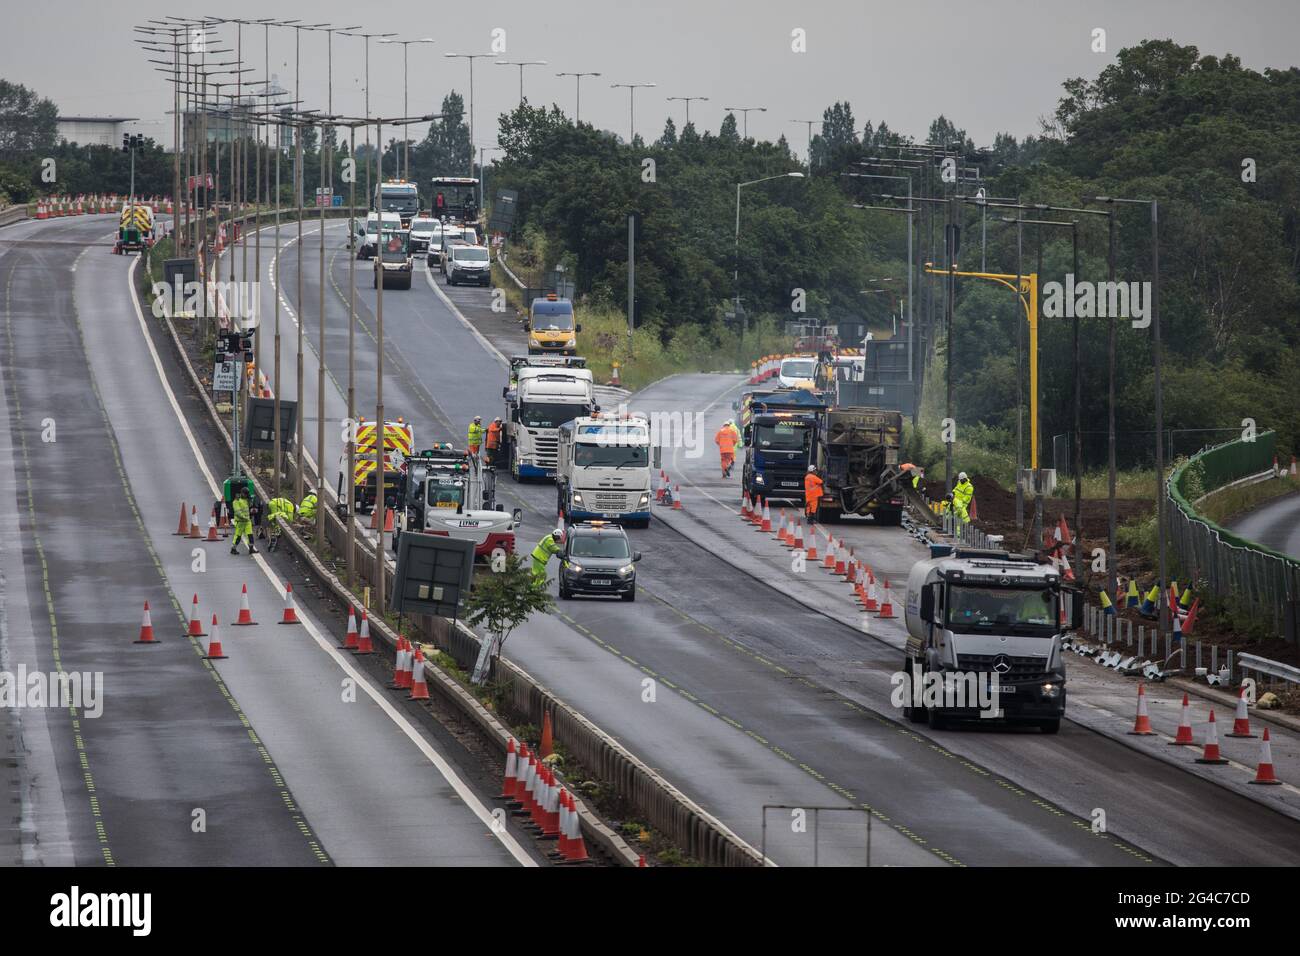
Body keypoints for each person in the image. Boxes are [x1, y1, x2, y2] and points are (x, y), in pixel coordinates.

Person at [230, 487, 257, 555]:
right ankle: (233, 548)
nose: (246, 495)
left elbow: (250, 506)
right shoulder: (236, 501)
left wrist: (251, 500)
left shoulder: (246, 500)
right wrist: (244, 517)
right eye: (245, 494)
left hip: (247, 521)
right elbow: (237, 512)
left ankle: (251, 548)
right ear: (241, 493)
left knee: (250, 535)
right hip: (240, 522)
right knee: (238, 536)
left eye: (247, 494)